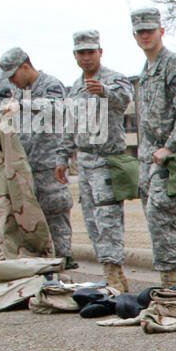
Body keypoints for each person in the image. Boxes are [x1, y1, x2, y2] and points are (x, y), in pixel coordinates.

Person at [131, 7, 176, 288]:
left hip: (170, 158)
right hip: (151, 159)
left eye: (150, 30)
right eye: (140, 32)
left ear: (161, 31)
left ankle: (172, 281)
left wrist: (169, 148)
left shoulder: (174, 64)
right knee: (163, 219)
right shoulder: (147, 71)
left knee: (162, 216)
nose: (146, 36)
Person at [67, 30, 134, 291]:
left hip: (107, 160)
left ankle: (115, 273)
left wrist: (105, 92)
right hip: (84, 160)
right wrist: (63, 157)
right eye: (81, 53)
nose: (86, 58)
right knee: (92, 221)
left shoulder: (114, 79)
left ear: (100, 52)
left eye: (90, 52)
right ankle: (107, 272)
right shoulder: (75, 87)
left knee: (108, 219)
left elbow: (125, 100)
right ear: (75, 55)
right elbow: (68, 124)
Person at [1, 47, 75, 266]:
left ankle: (64, 259)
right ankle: (45, 262)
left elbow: (58, 108)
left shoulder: (50, 85)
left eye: (13, 76)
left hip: (49, 165)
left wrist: (23, 105)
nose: (12, 82)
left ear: (25, 67)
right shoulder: (21, 93)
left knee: (56, 213)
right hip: (28, 165)